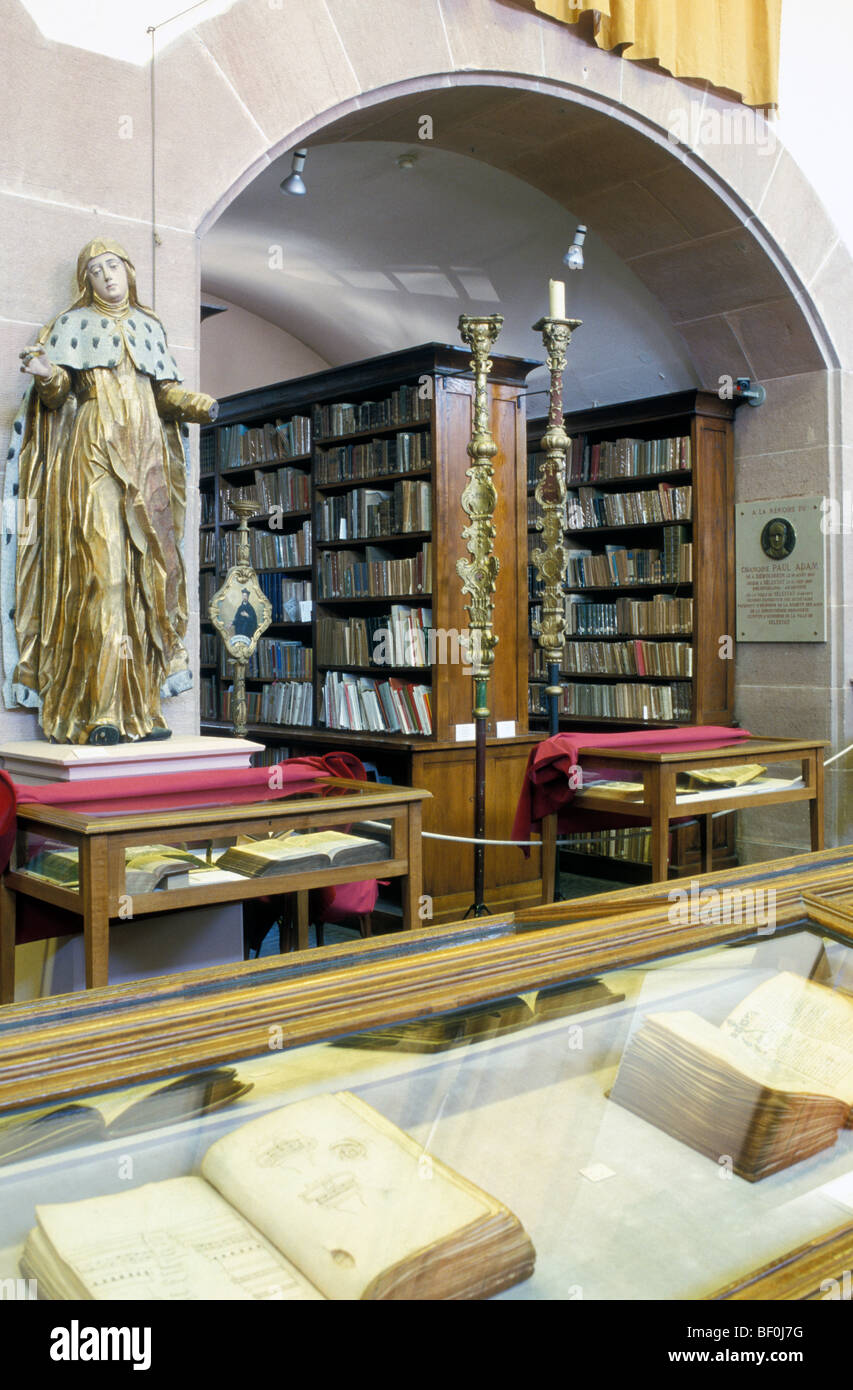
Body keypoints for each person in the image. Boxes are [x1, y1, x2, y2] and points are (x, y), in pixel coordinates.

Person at [5, 238, 218, 744]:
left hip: (146, 459)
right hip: (94, 457)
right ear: (86, 281)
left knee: (150, 577)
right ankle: (96, 709)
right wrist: (45, 374)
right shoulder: (72, 326)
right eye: (95, 270)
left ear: (128, 270)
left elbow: (165, 394)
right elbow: (59, 394)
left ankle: (140, 710)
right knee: (105, 577)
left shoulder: (150, 328)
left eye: (113, 265)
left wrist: (197, 404)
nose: (106, 276)